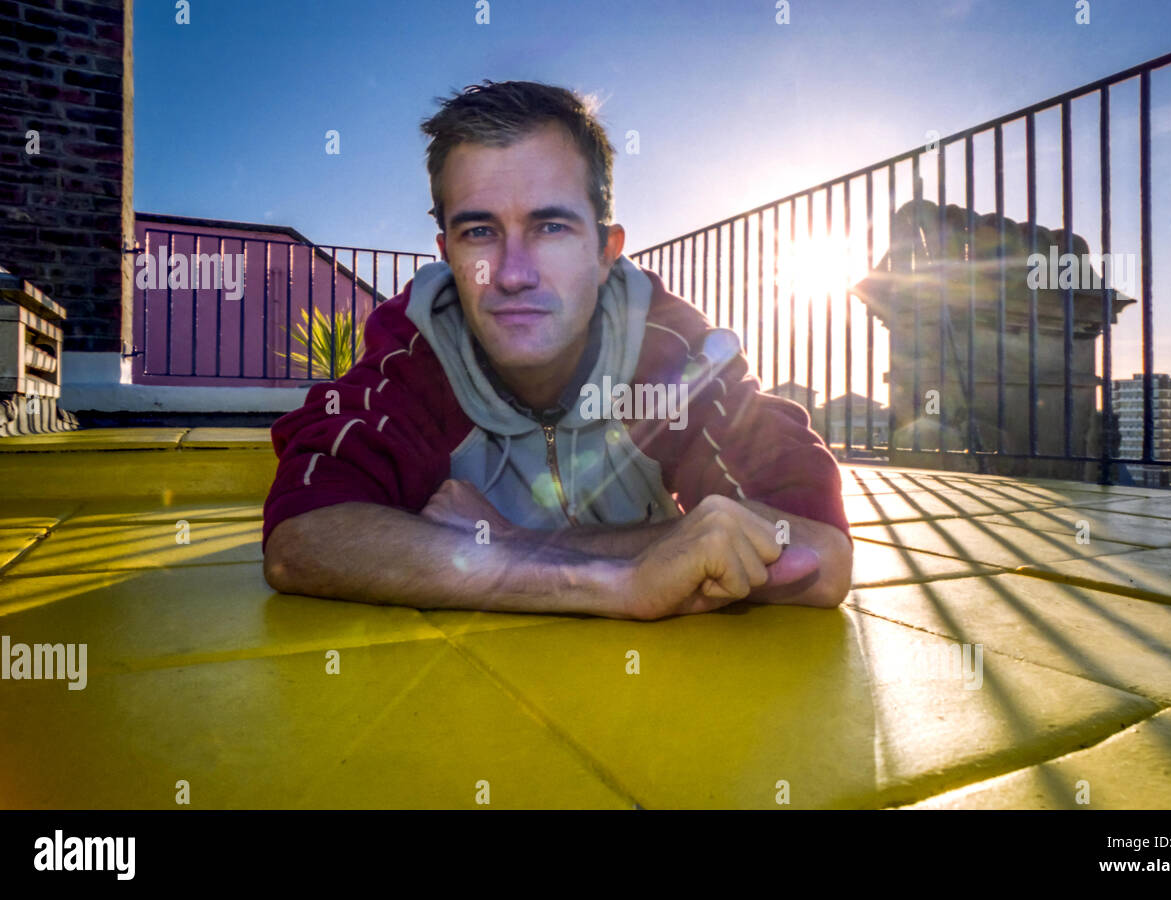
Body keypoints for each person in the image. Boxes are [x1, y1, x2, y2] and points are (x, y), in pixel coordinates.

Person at [261, 80, 852, 621]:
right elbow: (303, 538)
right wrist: (615, 583)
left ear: (605, 252)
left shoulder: (670, 352)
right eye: (479, 232)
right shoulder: (415, 350)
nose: (513, 274)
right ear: (448, 253)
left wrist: (513, 543)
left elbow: (819, 555)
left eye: (550, 228)